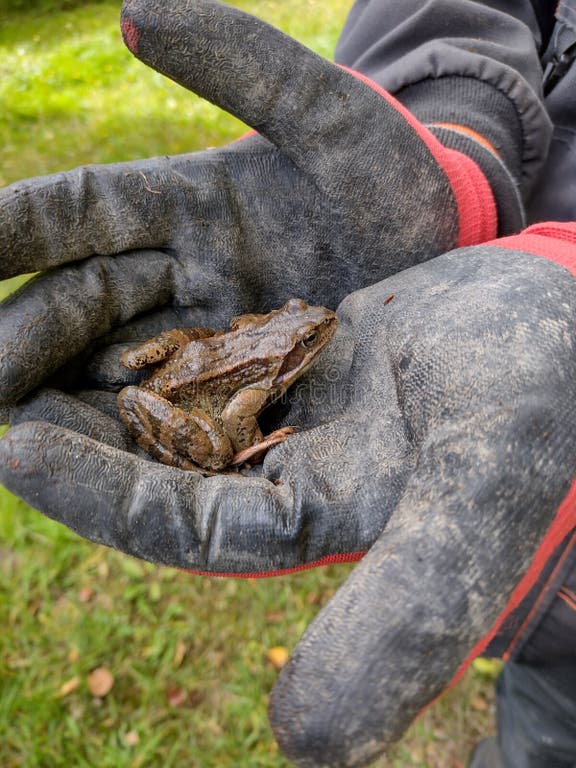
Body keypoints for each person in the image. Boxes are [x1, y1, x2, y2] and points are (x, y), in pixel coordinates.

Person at [0, 0, 575, 765]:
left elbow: (241, 387)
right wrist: (453, 150)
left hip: (216, 368)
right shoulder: (266, 365)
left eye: (308, 336)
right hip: (205, 386)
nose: (315, 334)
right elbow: (237, 409)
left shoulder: (270, 359)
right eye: (307, 335)